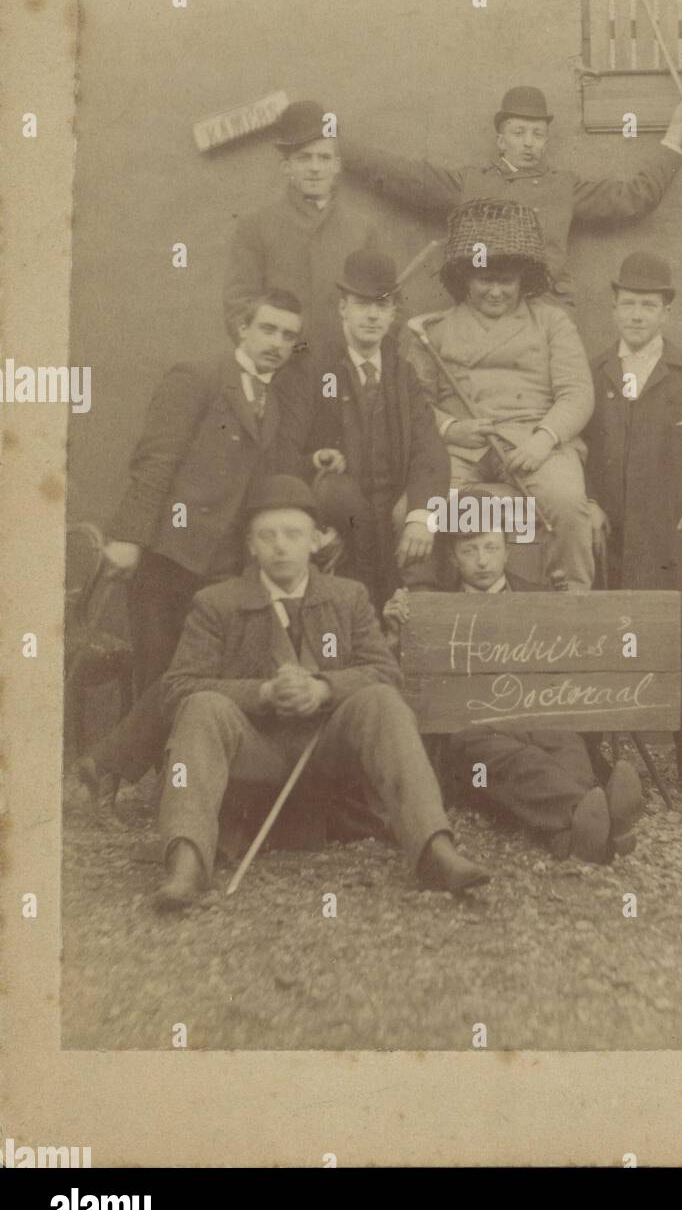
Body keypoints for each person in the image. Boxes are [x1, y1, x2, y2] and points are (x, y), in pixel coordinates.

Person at [153, 475, 490, 910]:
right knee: (201, 706)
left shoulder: (348, 597)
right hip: (255, 756)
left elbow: (385, 672)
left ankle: (434, 851)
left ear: (315, 541)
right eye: (266, 536)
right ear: (251, 546)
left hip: (328, 754)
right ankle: (187, 863)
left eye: (293, 534)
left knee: (382, 700)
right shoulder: (216, 603)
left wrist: (324, 688)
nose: (280, 547)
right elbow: (177, 690)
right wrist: (264, 692)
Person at [76, 290, 309, 802]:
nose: (277, 343)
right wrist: (129, 539)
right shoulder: (198, 378)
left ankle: (115, 769)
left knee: (199, 676)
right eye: (267, 329)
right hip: (168, 554)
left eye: (289, 335)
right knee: (162, 669)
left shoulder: (275, 403)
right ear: (242, 328)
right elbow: (155, 462)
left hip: (224, 566)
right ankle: (135, 782)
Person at [382, 513, 644, 862]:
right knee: (512, 755)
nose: (482, 560)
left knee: (564, 739)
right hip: (471, 738)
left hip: (536, 717)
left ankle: (580, 838)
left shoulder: (539, 598)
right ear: (452, 557)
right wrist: (395, 636)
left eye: (491, 547)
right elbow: (402, 686)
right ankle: (599, 817)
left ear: (508, 551)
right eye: (469, 550)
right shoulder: (431, 608)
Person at [340, 85, 682, 305]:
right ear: (501, 140)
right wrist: (334, 144)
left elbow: (634, 197)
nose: (529, 143)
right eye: (519, 133)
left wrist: (676, 132)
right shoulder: (472, 183)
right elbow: (404, 177)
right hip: (485, 309)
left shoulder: (563, 186)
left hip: (546, 312)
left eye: (538, 134)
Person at [583, 251, 682, 793]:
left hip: (672, 536)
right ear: (614, 309)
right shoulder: (594, 374)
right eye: (627, 305)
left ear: (666, 311)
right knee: (604, 640)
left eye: (648, 305)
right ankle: (601, 766)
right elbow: (581, 448)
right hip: (612, 536)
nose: (636, 315)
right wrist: (591, 502)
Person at [404, 198, 596, 590]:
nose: (495, 291)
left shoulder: (552, 323)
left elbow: (577, 392)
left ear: (522, 281)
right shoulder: (435, 329)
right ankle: (422, 605)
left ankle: (574, 601)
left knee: (566, 503)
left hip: (534, 445)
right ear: (465, 280)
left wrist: (543, 440)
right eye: (484, 280)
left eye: (505, 281)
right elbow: (415, 403)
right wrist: (452, 428)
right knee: (415, 513)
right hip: (459, 451)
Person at [276, 247, 450, 612]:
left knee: (417, 552)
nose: (372, 315)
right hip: (337, 519)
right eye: (362, 304)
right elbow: (283, 450)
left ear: (393, 313)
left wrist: (421, 517)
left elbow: (430, 451)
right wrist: (314, 483)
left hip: (390, 518)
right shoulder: (310, 365)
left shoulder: (402, 373)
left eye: (383, 305)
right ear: (343, 307)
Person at [223, 100, 377, 353]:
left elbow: (387, 305)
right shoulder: (256, 227)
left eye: (324, 157)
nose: (315, 168)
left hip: (345, 374)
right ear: (287, 167)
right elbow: (239, 306)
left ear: (336, 166)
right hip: (281, 374)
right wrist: (266, 357)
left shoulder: (363, 230)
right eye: (304, 158)